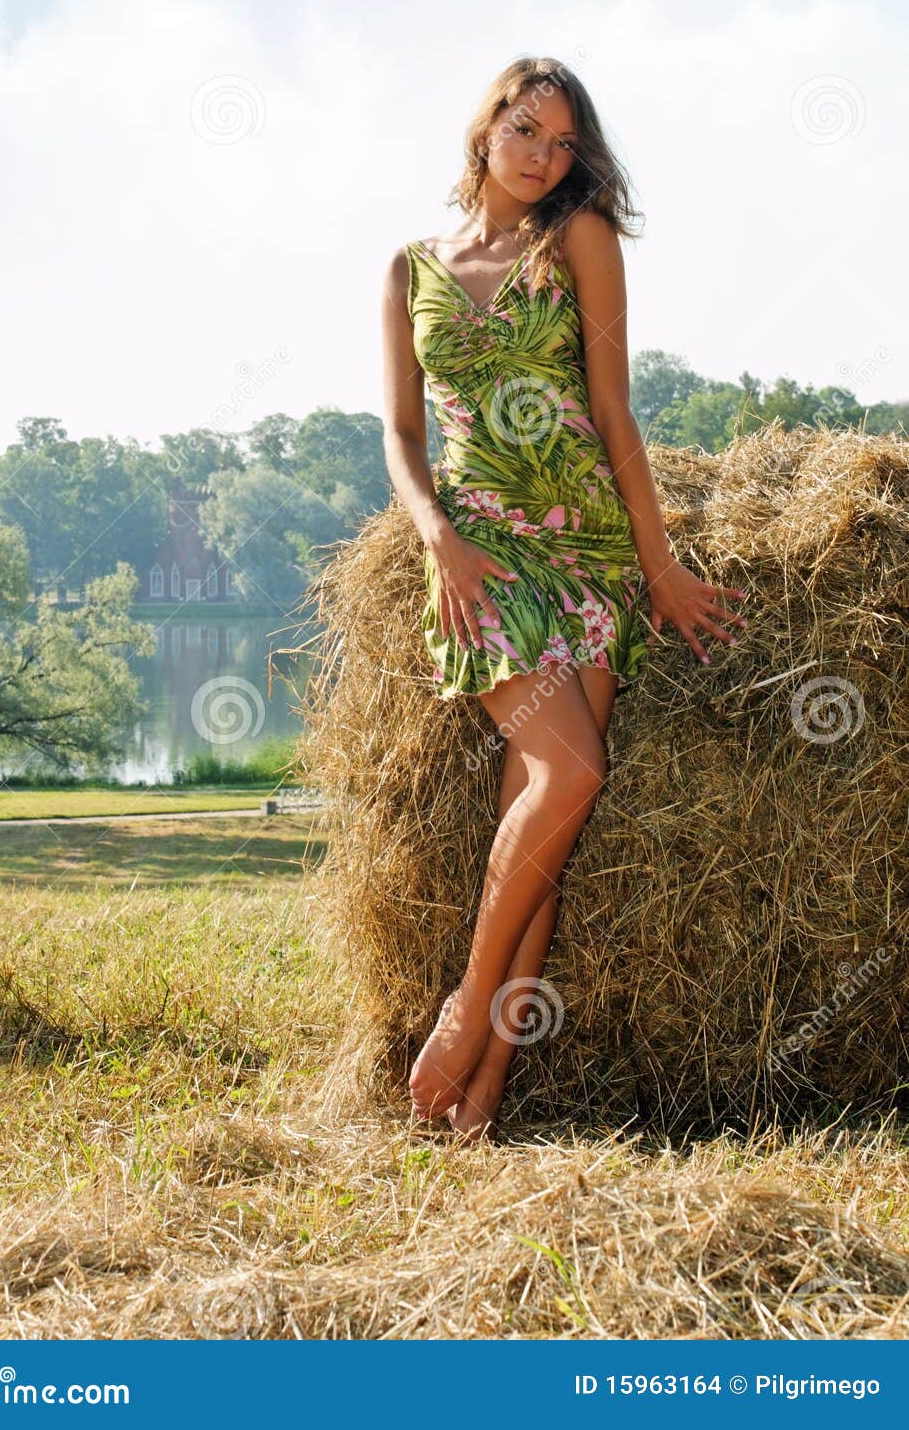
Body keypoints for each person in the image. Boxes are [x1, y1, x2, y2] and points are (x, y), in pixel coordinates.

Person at [380, 55, 748, 1141]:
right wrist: (436, 536)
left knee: (538, 817)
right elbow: (401, 435)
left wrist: (661, 563)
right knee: (573, 772)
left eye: (562, 143)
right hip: (484, 554)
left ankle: (480, 1093)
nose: (543, 157)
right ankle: (463, 1008)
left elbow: (613, 411)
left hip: (586, 549)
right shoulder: (410, 269)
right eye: (527, 131)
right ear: (484, 126)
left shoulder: (576, 240)